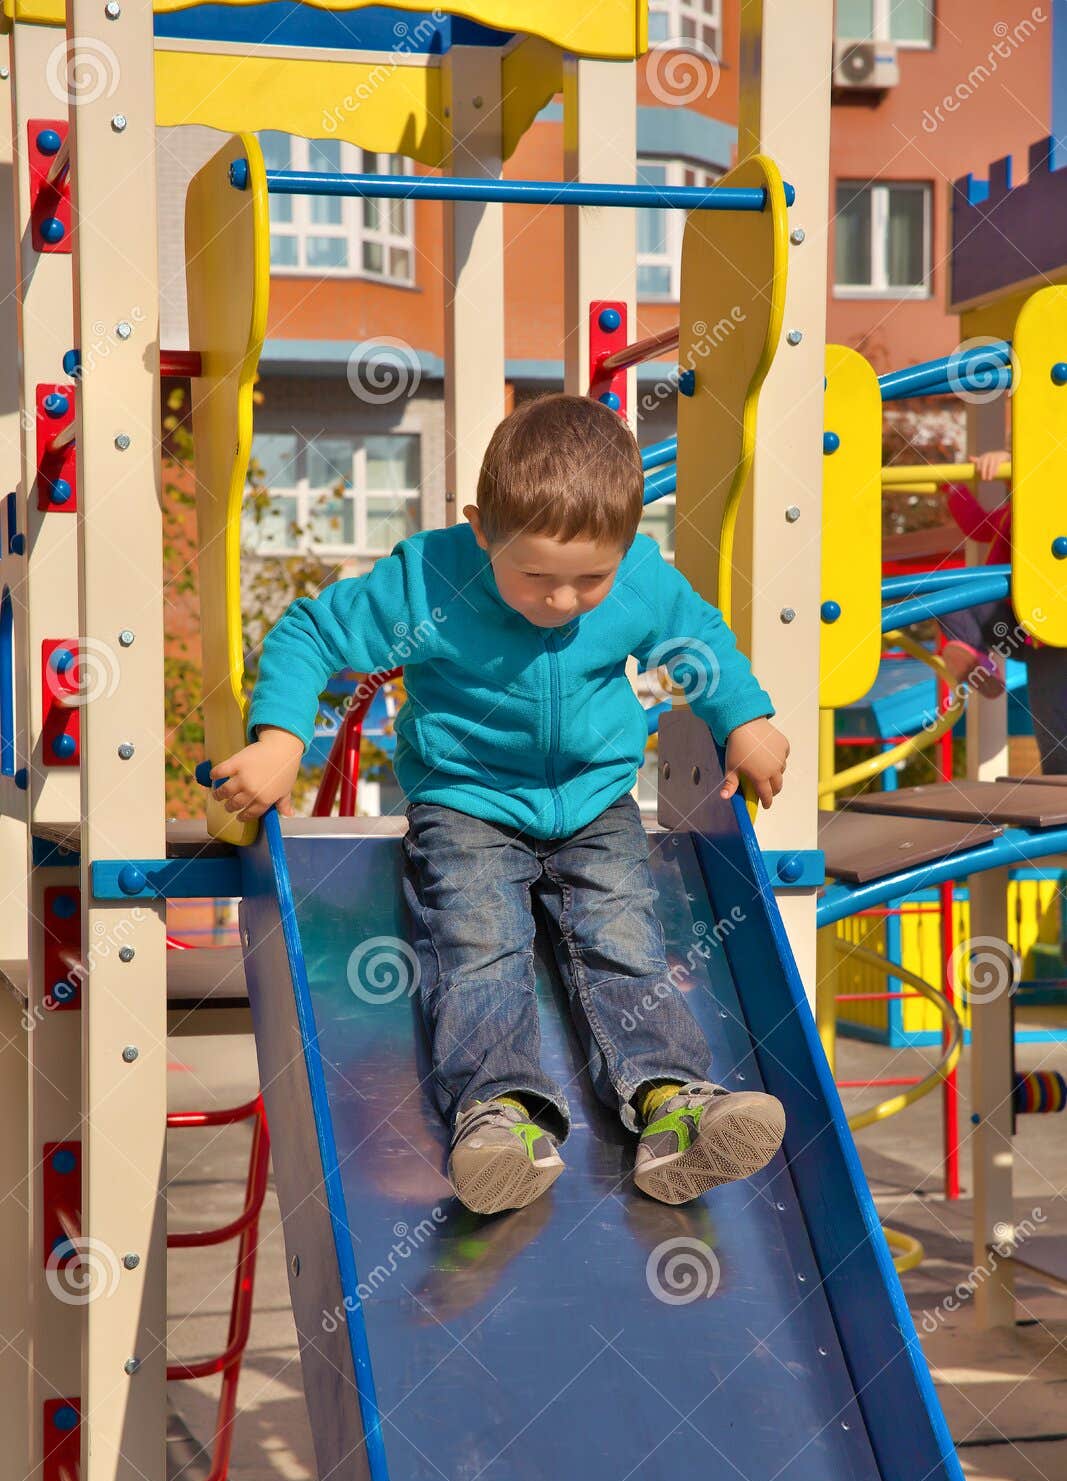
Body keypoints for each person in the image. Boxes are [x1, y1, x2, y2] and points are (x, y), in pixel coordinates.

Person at [214, 395, 790, 1214]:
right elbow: (310, 633)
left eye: (590, 578)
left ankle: (672, 1107)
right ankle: (500, 1117)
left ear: (626, 547)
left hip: (594, 801)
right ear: (481, 528)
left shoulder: (637, 581)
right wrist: (280, 742)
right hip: (468, 803)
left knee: (623, 935)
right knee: (479, 940)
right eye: (536, 577)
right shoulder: (427, 580)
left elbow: (695, 636)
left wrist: (746, 717)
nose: (562, 601)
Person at [939, 449, 1067, 774]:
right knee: (947, 595)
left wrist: (1014, 454)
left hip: (1055, 631)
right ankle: (980, 662)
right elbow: (977, 526)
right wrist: (953, 486)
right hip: (1021, 627)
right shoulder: (1014, 513)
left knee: (1056, 730)